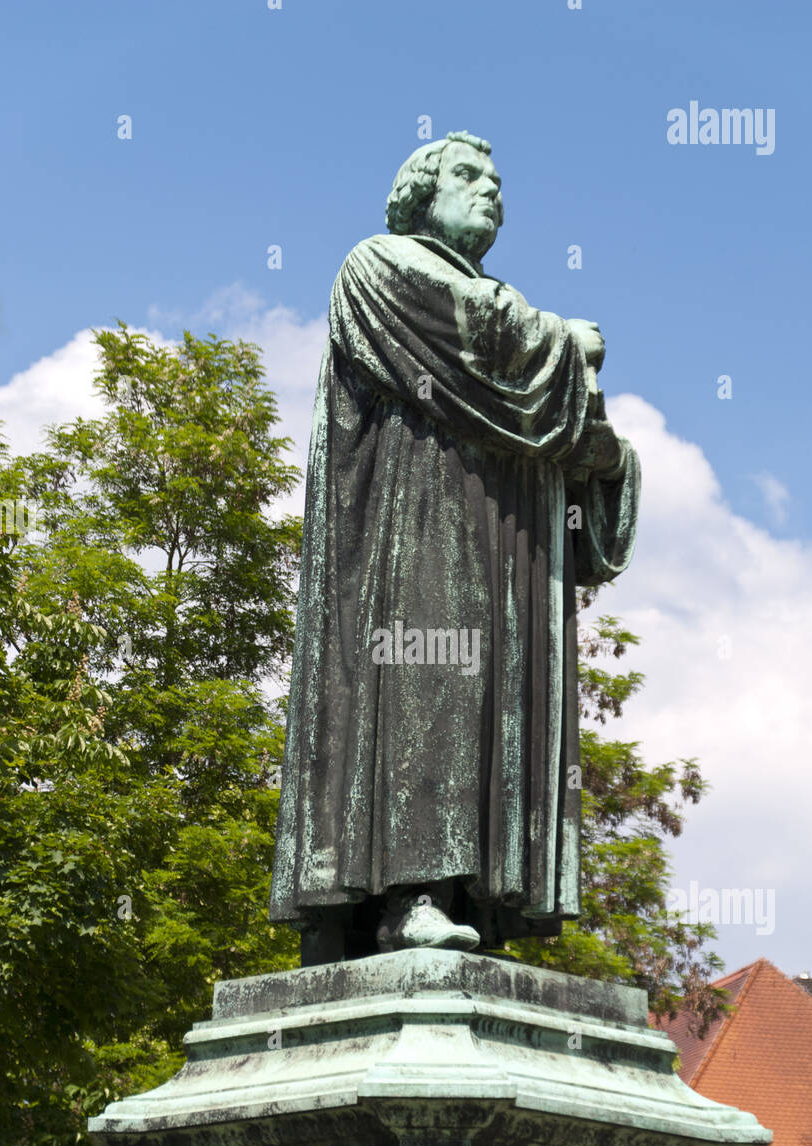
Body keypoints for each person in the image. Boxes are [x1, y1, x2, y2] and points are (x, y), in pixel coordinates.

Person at [269, 132, 639, 963]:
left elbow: (561, 432)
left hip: (501, 552)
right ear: (417, 194)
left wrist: (609, 462)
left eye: (500, 181)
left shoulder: (503, 317)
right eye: (469, 176)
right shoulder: (381, 266)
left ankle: (472, 895)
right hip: (416, 537)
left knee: (489, 704)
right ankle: (411, 896)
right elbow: (494, 342)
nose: (492, 191)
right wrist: (569, 346)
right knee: (426, 683)